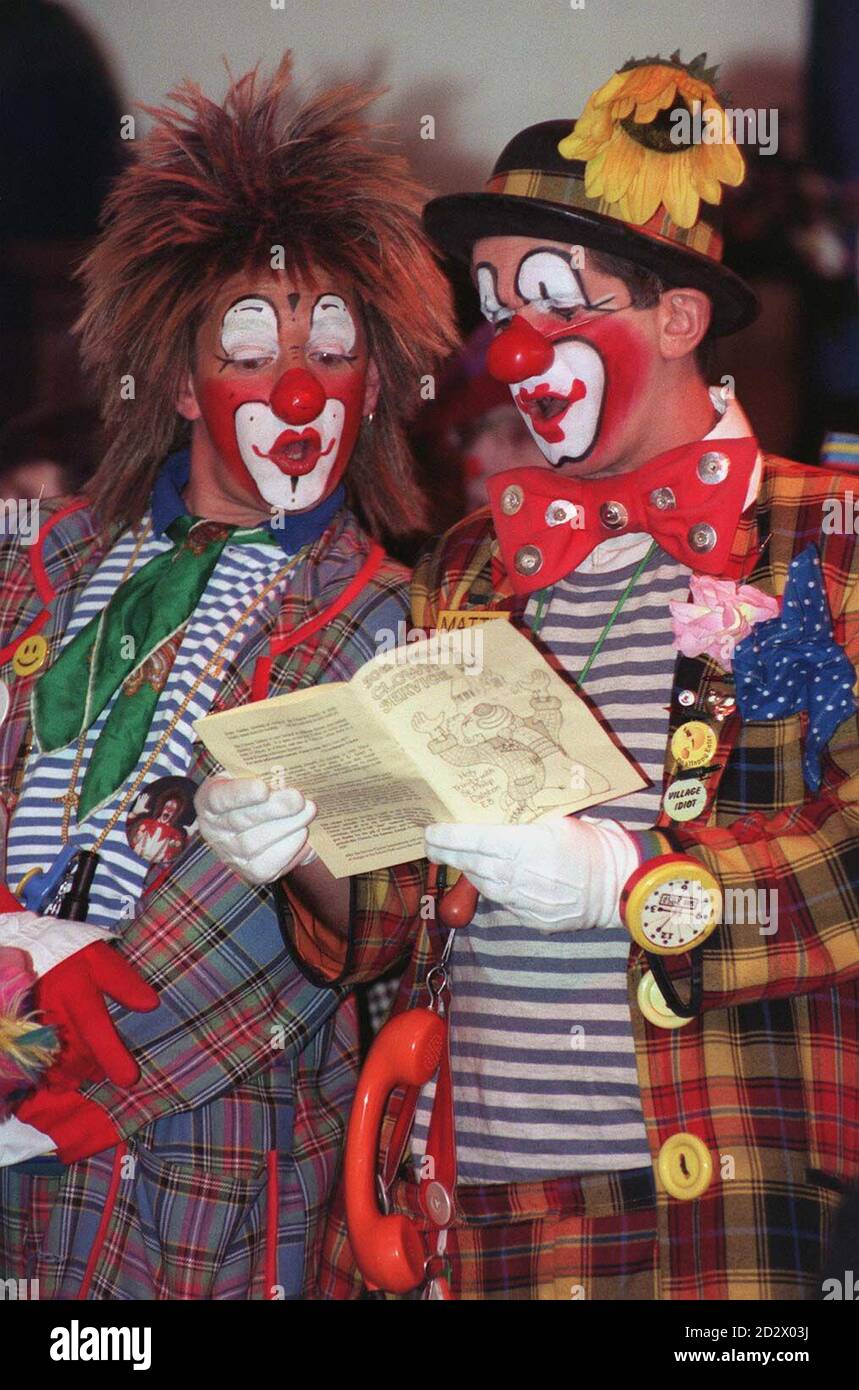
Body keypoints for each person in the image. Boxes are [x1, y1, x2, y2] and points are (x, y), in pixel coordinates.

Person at [200, 52, 859, 1301]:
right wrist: (303, 847)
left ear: (677, 317)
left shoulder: (832, 540)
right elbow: (399, 913)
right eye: (499, 309)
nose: (514, 349)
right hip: (473, 1215)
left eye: (557, 301)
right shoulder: (466, 567)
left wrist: (630, 883)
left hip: (719, 1224)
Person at [0, 54, 454, 1299]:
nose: (297, 391)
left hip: (193, 1174)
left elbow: (374, 928)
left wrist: (45, 1058)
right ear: (184, 375)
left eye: (333, 350)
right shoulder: (46, 564)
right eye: (250, 352)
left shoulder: (384, 620)